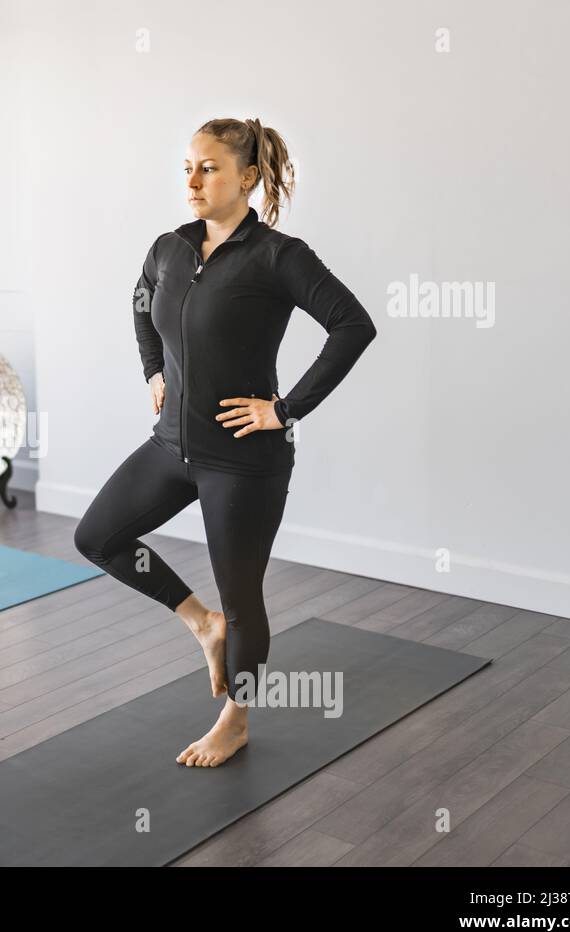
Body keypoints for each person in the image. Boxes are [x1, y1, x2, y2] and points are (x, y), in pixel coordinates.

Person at [73, 117, 377, 767]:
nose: (193, 179)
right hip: (171, 446)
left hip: (243, 461)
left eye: (208, 167)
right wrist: (153, 371)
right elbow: (140, 304)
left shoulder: (279, 257)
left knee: (242, 601)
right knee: (97, 537)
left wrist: (285, 409)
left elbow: (353, 326)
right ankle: (198, 622)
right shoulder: (168, 248)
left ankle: (235, 719)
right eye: (187, 165)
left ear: (247, 177)